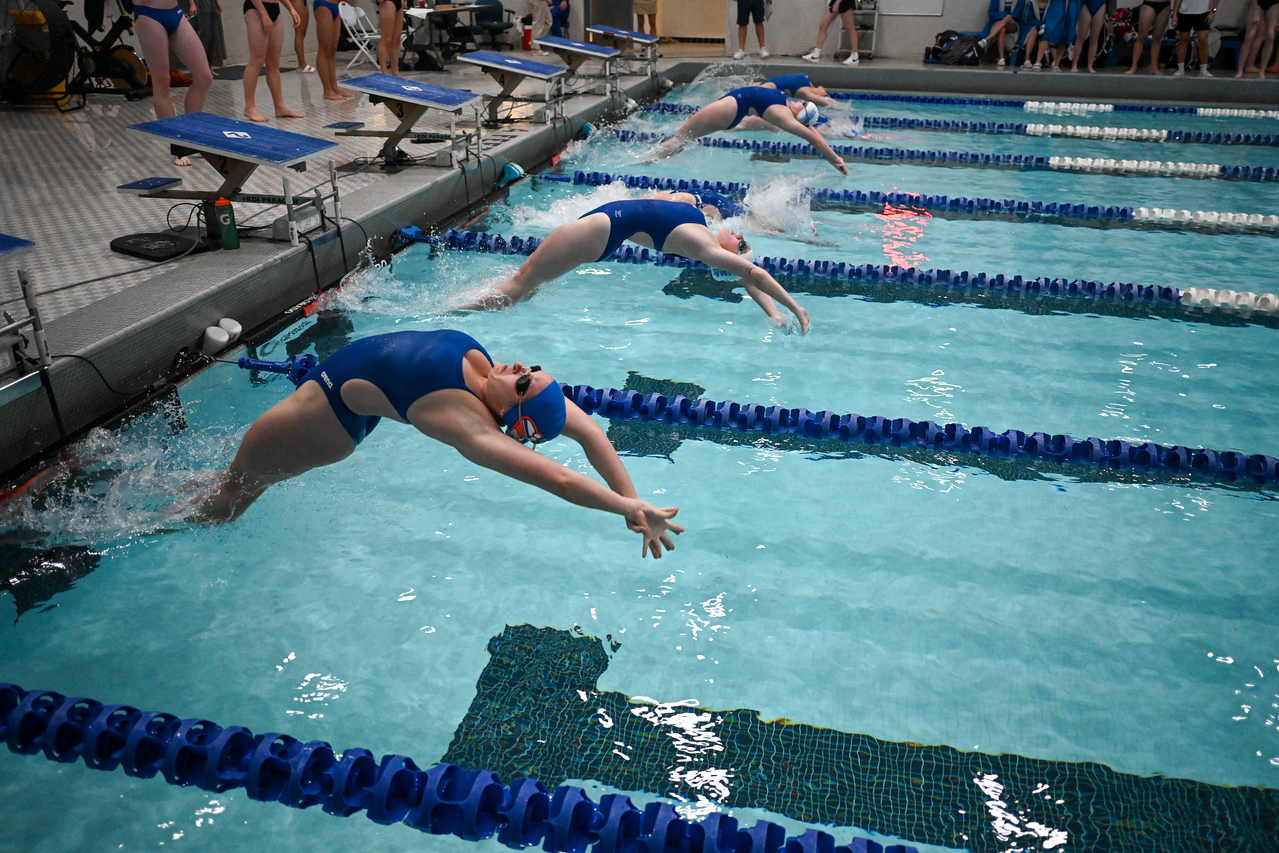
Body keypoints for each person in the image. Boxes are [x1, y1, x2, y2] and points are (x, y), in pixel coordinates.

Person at [190, 330, 684, 557]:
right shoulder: (502, 387)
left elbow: (560, 478)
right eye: (530, 371)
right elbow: (591, 433)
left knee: (228, 501)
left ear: (512, 415)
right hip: (342, 404)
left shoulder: (468, 425)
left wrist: (626, 507)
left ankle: (137, 527)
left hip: (323, 421)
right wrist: (632, 505)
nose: (519, 370)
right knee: (231, 484)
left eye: (522, 383)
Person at [464, 199, 811, 331]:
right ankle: (473, 309)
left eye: (742, 243)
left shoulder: (704, 247)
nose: (738, 234)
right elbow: (748, 275)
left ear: (730, 256)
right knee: (526, 289)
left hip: (600, 231)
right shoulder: (700, 219)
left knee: (518, 284)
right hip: (601, 228)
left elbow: (751, 273)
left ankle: (449, 312)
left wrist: (795, 308)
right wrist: (774, 315)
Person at [648, 87, 849, 175]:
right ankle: (654, 159)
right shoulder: (786, 106)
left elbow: (812, 137)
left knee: (680, 138)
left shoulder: (785, 116)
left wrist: (836, 160)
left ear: (801, 114)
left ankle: (645, 160)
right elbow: (813, 129)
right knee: (683, 140)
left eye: (804, 104)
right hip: (731, 109)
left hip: (729, 109)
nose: (802, 100)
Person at [131, 1, 214, 166]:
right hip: (149, 15)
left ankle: (191, 137)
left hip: (174, 11)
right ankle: (178, 147)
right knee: (161, 82)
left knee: (204, 76)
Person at [243, 0, 305, 121]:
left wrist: (291, 8)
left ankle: (280, 106)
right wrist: (263, 14)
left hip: (274, 7)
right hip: (256, 8)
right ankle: (249, 106)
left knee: (274, 61)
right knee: (257, 60)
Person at [313, 0, 354, 98]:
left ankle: (334, 88)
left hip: (335, 6)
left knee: (332, 49)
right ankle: (327, 90)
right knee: (324, 48)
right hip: (323, 5)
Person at [801, 0, 859, 65]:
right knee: (823, 25)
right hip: (834, 2)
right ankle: (816, 54)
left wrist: (837, 3)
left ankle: (854, 56)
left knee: (850, 28)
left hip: (845, 2)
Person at [1125, 0, 1173, 73]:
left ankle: (1154, 66)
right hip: (1149, 3)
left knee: (1157, 36)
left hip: (1165, 5)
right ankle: (1134, 66)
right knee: (1142, 35)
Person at [1171, 0, 1217, 75]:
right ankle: (1181, 69)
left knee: (1203, 40)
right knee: (1183, 39)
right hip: (1184, 12)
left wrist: (1213, 11)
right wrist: (1175, 13)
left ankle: (1203, 69)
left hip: (1203, 12)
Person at [1236, 0, 1279, 77]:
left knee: (1270, 36)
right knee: (1250, 36)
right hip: (1257, 2)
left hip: (1274, 3)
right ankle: (1240, 70)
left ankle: (1262, 71)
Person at [977, 0, 1020, 66]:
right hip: (998, 23)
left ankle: (987, 39)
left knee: (1008, 17)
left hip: (1012, 26)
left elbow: (1017, 15)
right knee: (1002, 29)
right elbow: (991, 14)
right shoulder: (996, 0)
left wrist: (1004, 15)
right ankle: (1002, 58)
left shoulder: (1020, 1)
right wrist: (1004, 15)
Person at [759, 73, 838, 107]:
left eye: (825, 95)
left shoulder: (805, 91)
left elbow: (826, 102)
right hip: (764, 85)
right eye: (826, 94)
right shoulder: (807, 86)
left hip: (767, 86)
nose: (825, 90)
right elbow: (826, 102)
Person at [1070, 0, 1106, 70]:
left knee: (1094, 38)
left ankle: (1090, 65)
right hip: (1086, 4)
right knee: (1081, 37)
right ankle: (1074, 64)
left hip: (1101, 5)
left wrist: (1111, 11)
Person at [378, 0, 405, 75]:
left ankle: (395, 70)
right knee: (386, 39)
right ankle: (384, 72)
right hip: (388, 2)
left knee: (396, 39)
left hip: (398, 2)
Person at [292, 0, 313, 72]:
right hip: (297, 2)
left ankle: (302, 64)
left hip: (303, 2)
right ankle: (302, 64)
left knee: (302, 33)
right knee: (299, 33)